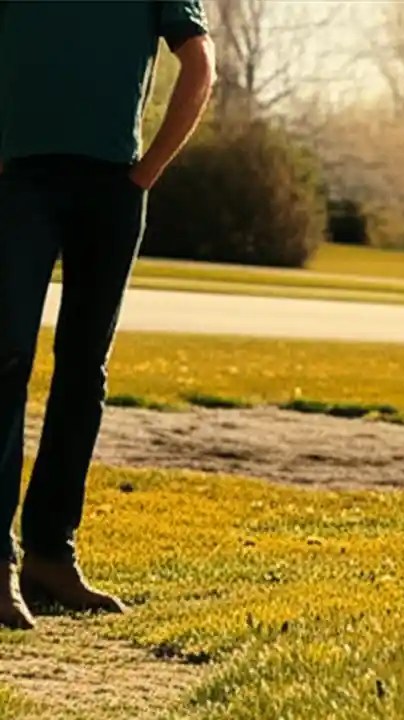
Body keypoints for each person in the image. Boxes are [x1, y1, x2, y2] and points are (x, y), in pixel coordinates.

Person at [0, 1, 216, 630]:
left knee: (83, 372)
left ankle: (50, 554)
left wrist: (146, 173)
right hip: (21, 185)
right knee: (7, 356)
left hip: (113, 188)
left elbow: (198, 64)